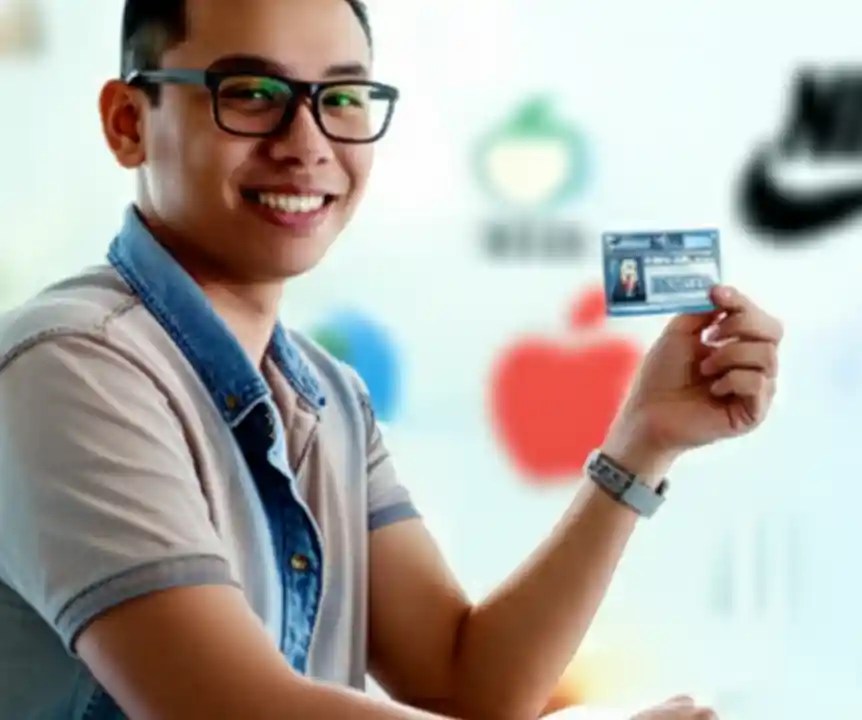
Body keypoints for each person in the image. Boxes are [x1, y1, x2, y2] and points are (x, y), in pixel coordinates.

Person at [0, 1, 784, 719]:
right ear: (128, 122)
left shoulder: (327, 397)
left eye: (341, 99)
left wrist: (642, 443)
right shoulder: (71, 367)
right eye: (250, 92)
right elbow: (228, 708)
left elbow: (464, 677)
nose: (307, 144)